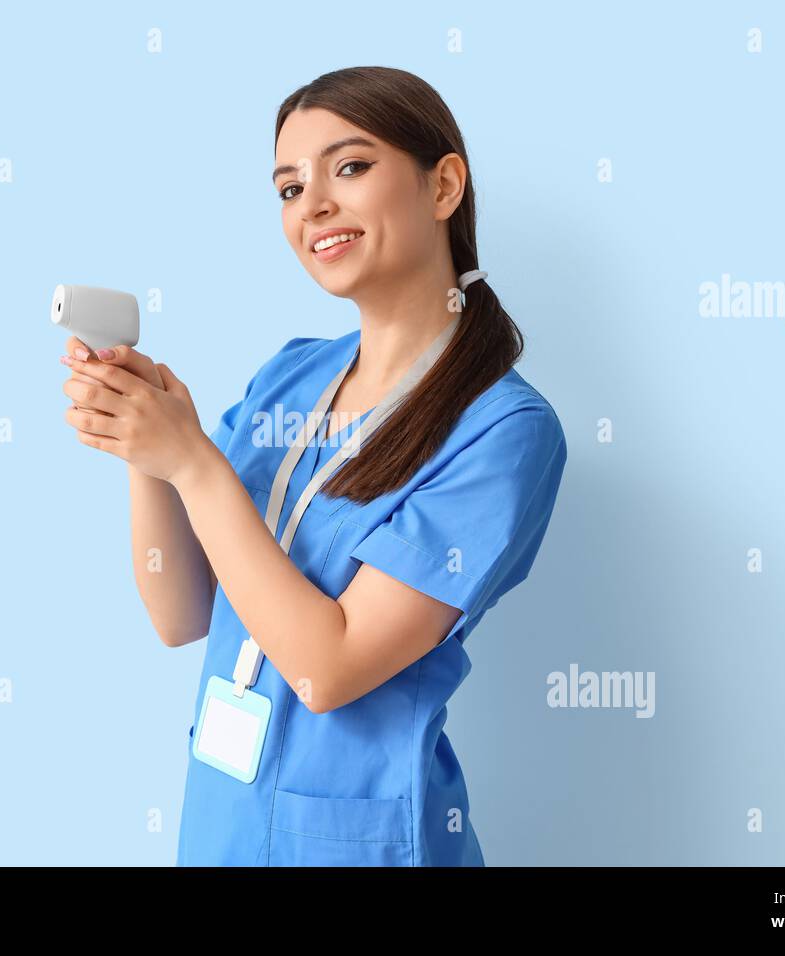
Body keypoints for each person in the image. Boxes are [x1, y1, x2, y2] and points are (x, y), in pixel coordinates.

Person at [58, 66, 567, 866]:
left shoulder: (506, 432)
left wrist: (191, 462)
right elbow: (180, 614)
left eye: (351, 167)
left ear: (444, 186)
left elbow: (328, 669)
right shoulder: (289, 377)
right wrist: (144, 445)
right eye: (290, 188)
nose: (314, 206)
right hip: (223, 820)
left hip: (360, 841)